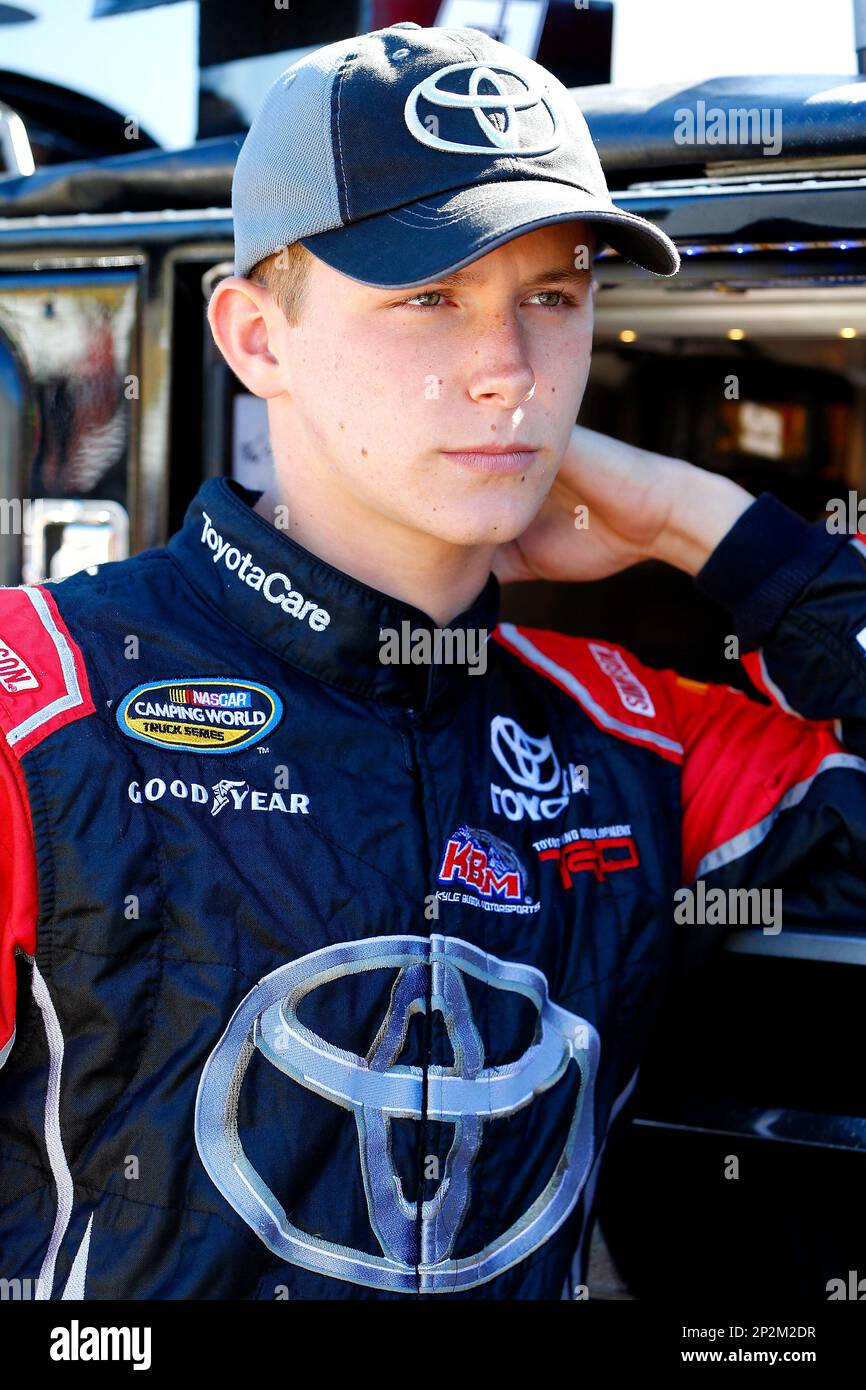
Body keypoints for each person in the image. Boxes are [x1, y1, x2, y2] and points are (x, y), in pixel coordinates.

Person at [1, 20, 864, 1302]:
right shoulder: (41, 698)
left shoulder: (627, 736)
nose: (507, 373)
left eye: (552, 300)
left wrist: (695, 522)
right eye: (426, 297)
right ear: (254, 338)